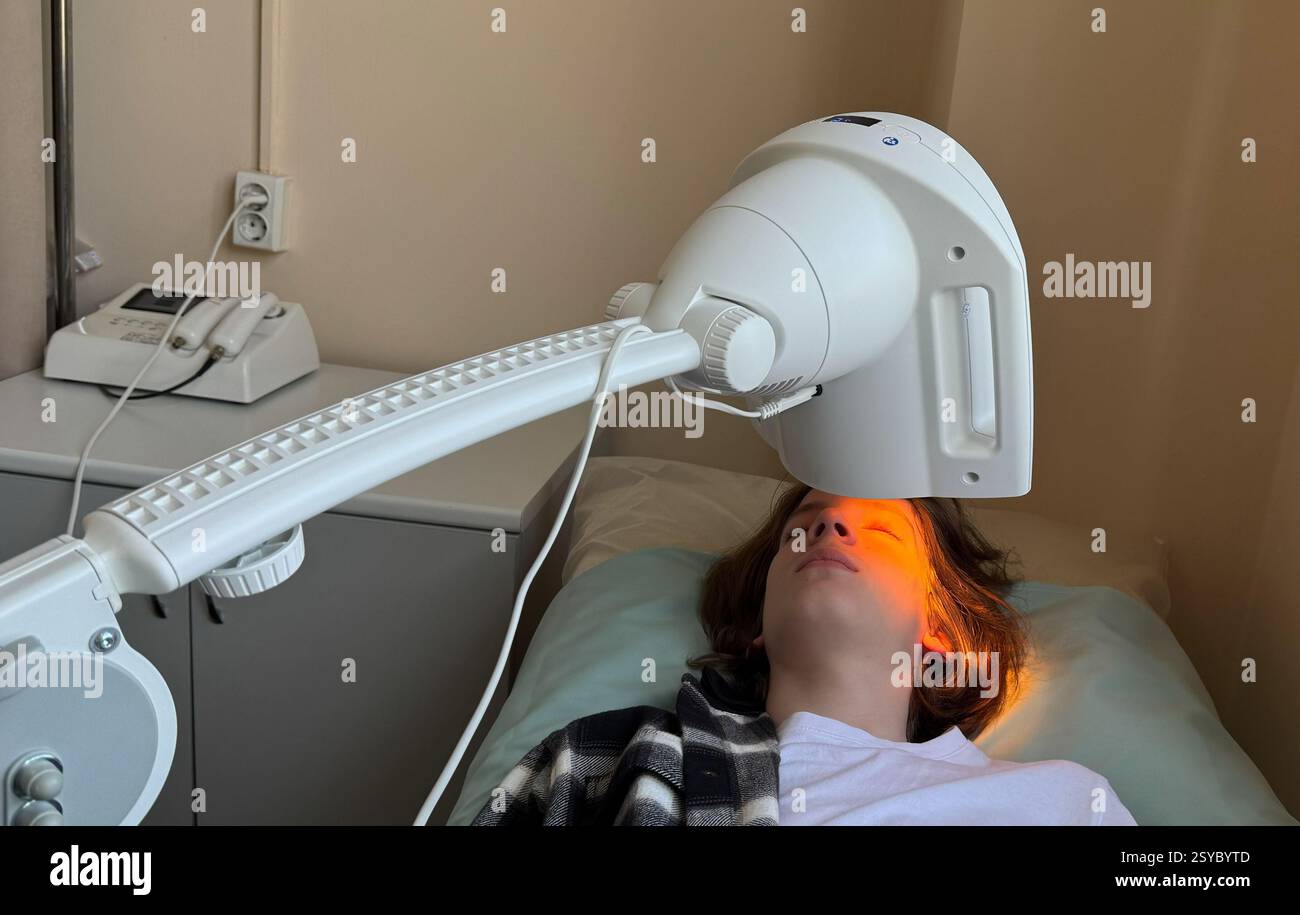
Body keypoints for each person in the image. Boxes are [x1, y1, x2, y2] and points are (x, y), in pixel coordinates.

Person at [472, 483, 1136, 826]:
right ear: (758, 621)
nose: (828, 525)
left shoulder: (1061, 798)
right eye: (804, 525)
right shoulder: (616, 761)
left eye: (878, 530)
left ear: (938, 623)